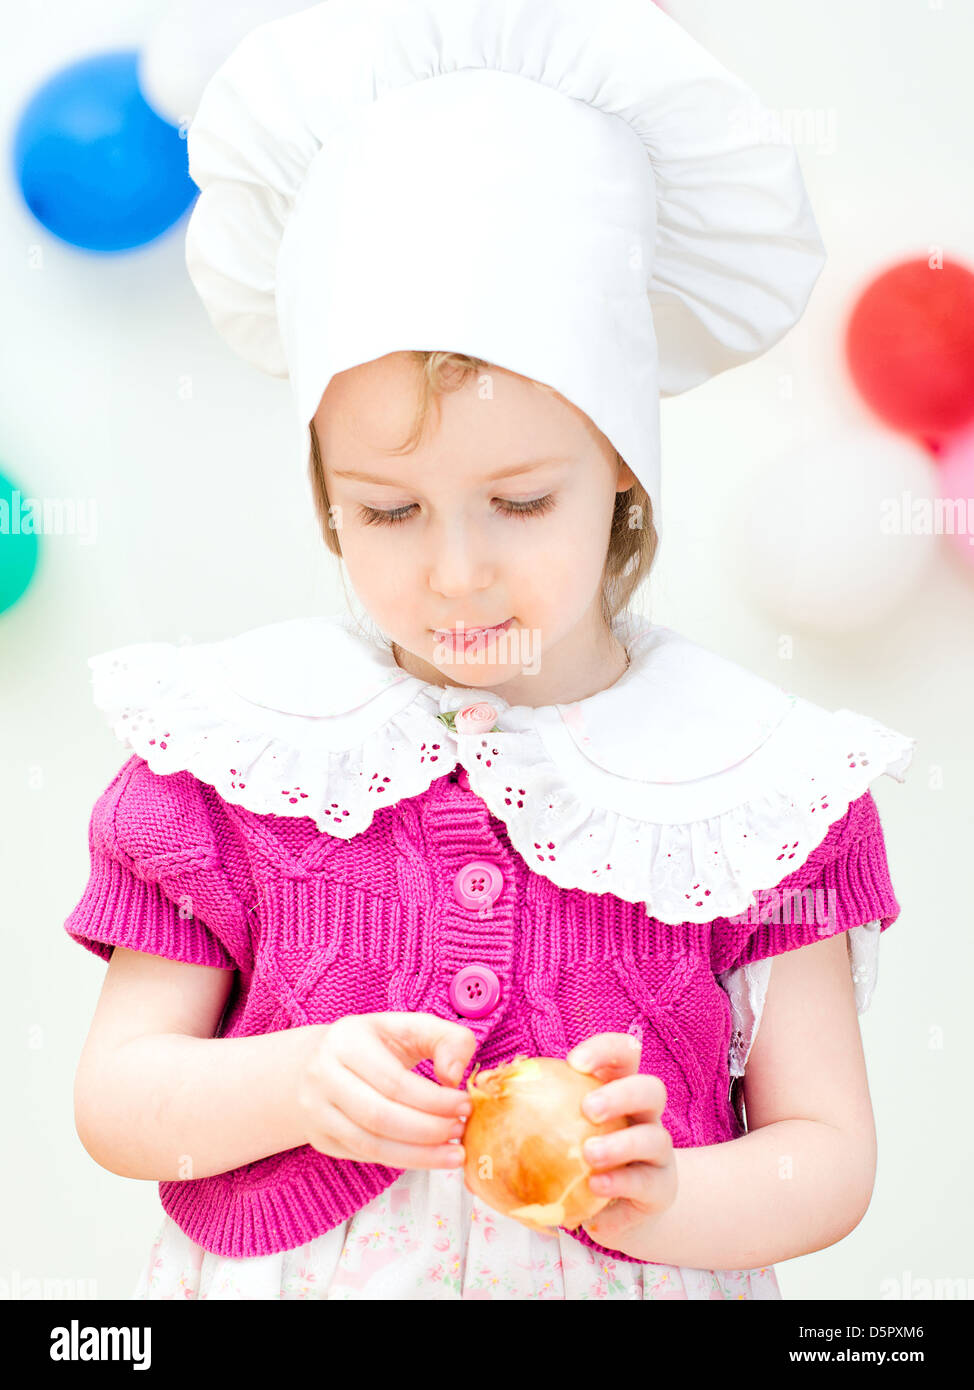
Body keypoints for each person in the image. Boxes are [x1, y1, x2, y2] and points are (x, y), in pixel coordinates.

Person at [64, 0, 915, 1299]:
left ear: (622, 474)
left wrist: (674, 1190)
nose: (455, 569)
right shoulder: (230, 753)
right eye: (389, 511)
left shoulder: (758, 788)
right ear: (325, 493)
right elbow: (120, 1098)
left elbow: (828, 1155)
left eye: (520, 502)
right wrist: (292, 1080)